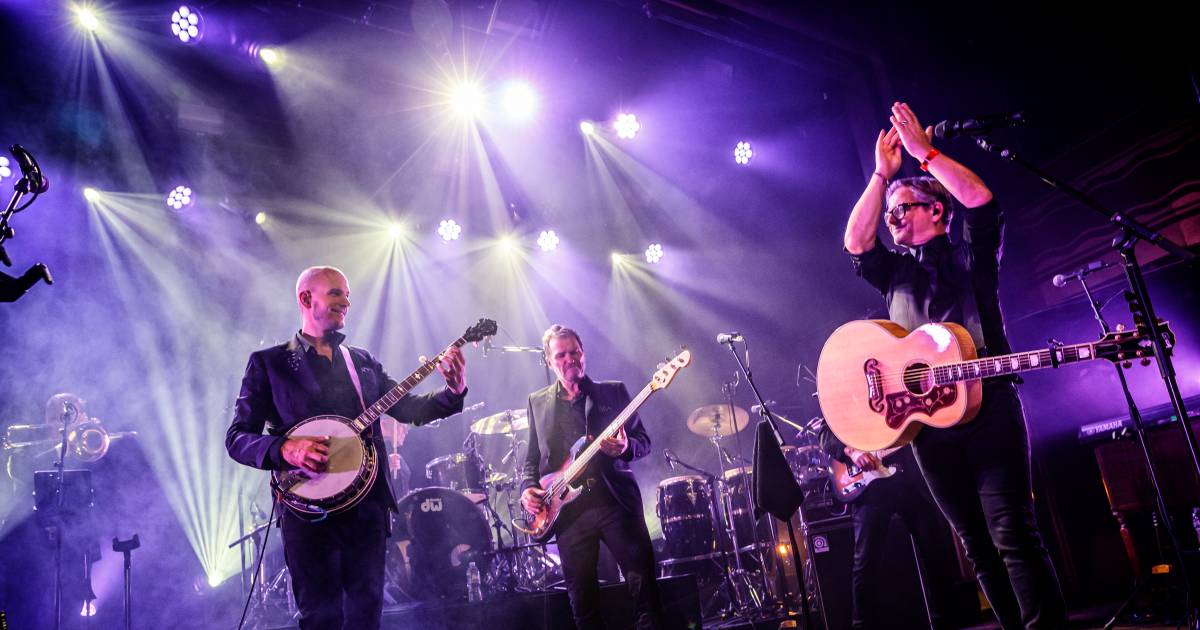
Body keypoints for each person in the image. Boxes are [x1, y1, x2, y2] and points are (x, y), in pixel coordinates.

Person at [840, 102, 1067, 628]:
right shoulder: (893, 273)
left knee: (1012, 532)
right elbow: (855, 240)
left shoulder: (969, 255)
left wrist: (925, 153)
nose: (893, 218)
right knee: (976, 546)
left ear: (936, 211)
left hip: (989, 407)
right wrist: (882, 178)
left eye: (904, 208)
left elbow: (981, 202)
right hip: (929, 428)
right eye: (891, 212)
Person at [225, 266, 468, 630]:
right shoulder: (269, 363)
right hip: (307, 514)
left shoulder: (362, 362)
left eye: (348, 295)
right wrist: (285, 449)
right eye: (337, 293)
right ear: (307, 299)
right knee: (320, 617)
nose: (347, 302)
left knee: (365, 616)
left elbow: (410, 409)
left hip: (366, 510)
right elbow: (237, 438)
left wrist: (453, 392)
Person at [519, 324, 663, 630]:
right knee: (583, 606)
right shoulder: (537, 402)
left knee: (645, 592)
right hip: (568, 514)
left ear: (583, 353)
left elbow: (644, 442)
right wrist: (528, 489)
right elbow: (530, 461)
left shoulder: (613, 392)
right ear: (549, 361)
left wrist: (625, 448)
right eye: (561, 355)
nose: (570, 359)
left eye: (575, 352)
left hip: (615, 504)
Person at [817, 422, 962, 629]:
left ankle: (946, 622)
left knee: (936, 550)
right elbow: (825, 434)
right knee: (866, 562)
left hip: (911, 478)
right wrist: (853, 452)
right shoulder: (846, 392)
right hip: (872, 487)